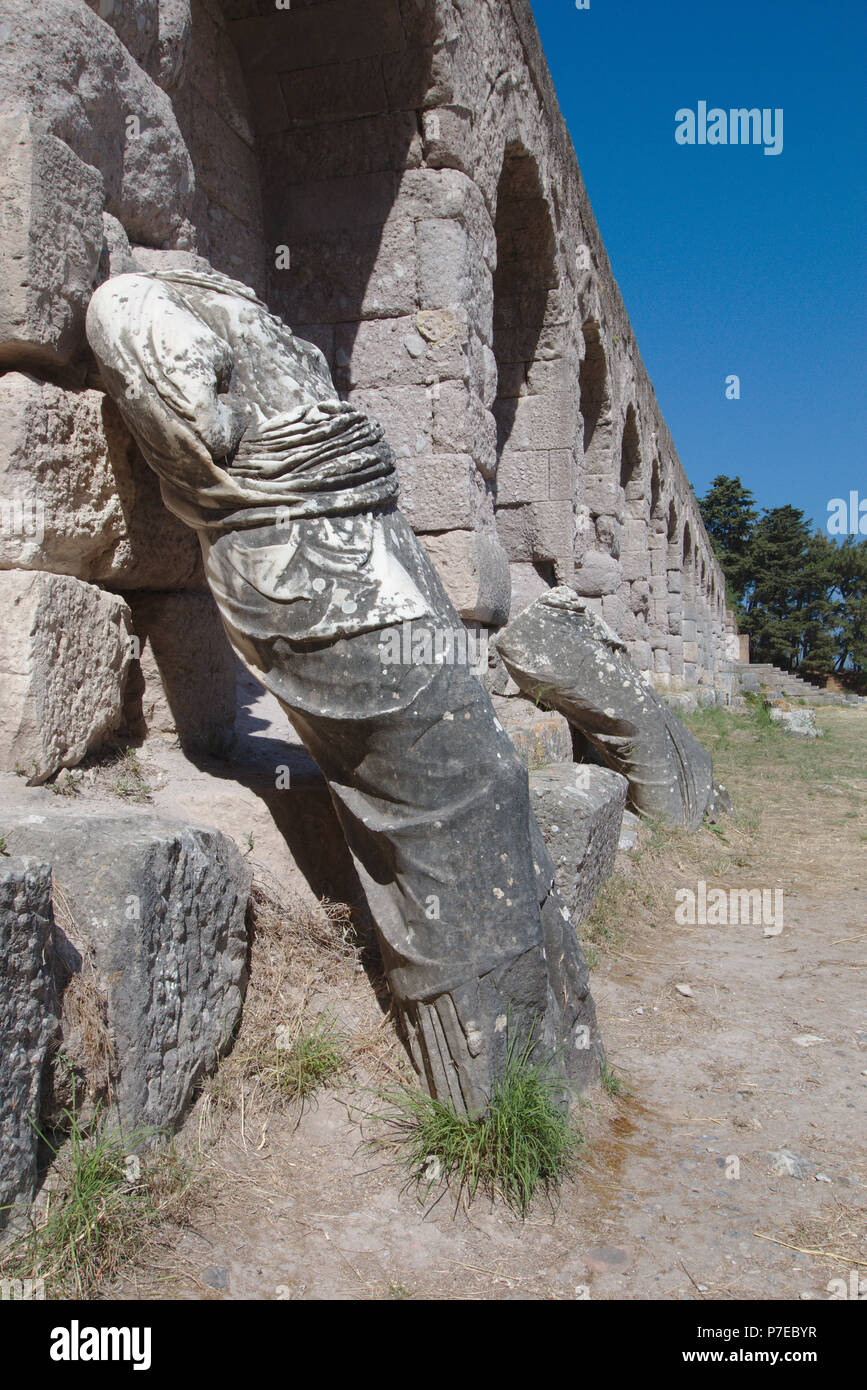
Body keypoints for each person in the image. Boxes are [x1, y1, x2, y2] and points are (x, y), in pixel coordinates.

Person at [87, 265, 601, 1114]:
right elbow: (200, 433)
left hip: (371, 552)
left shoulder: (216, 297)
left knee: (495, 784)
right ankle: (500, 1092)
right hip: (314, 576)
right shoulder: (141, 298)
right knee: (447, 807)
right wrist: (316, 434)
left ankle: (555, 1059)